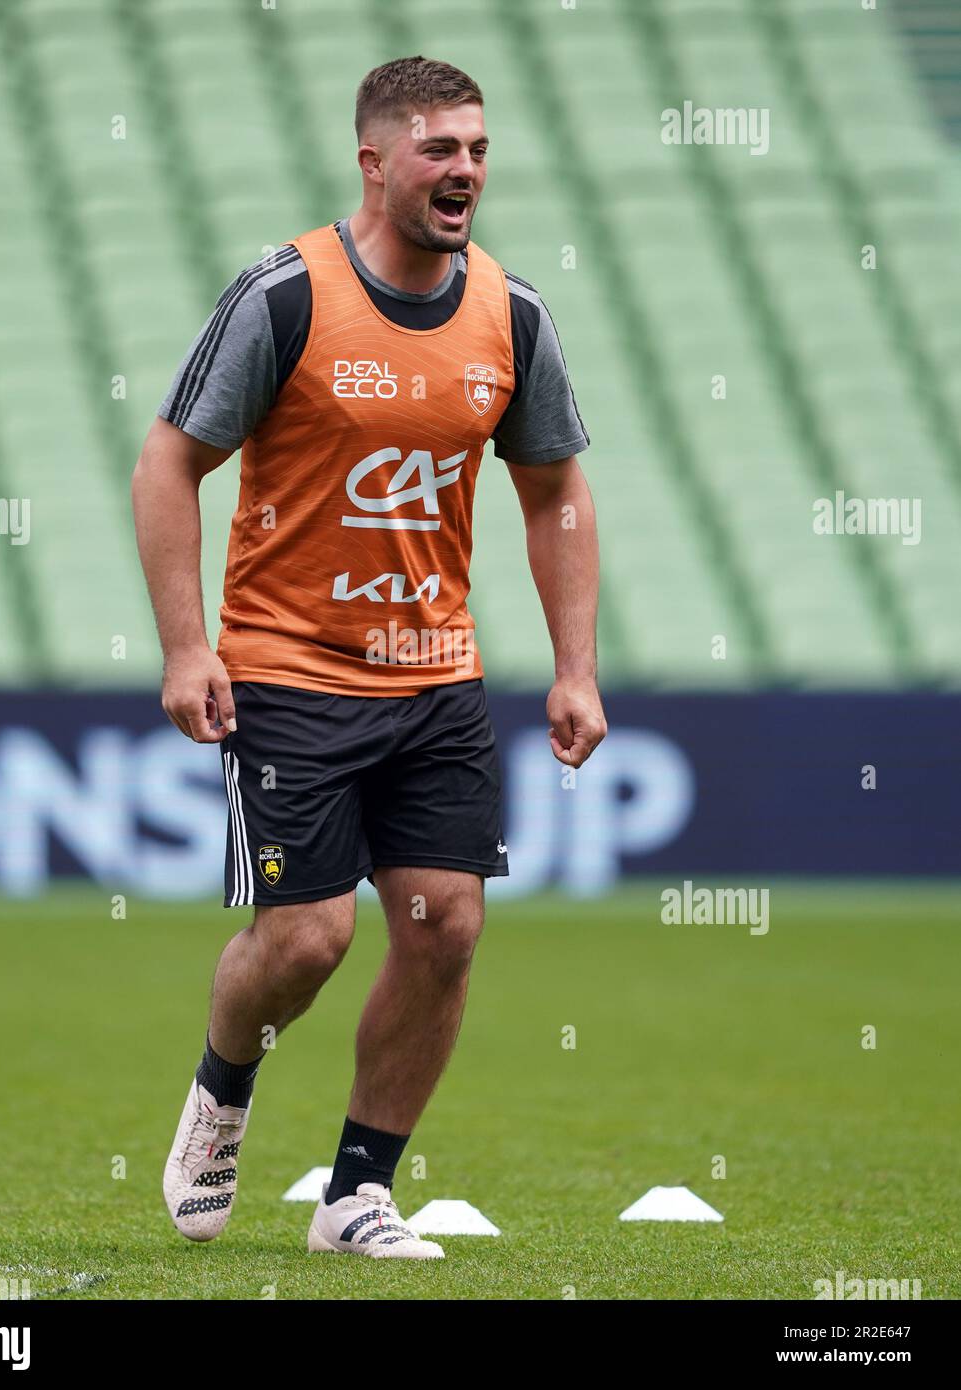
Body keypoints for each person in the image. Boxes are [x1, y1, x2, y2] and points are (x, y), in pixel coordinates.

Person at [132, 55, 607, 1261]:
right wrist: (188, 647)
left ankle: (354, 1197)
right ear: (376, 160)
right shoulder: (283, 295)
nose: (465, 172)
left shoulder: (511, 313)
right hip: (289, 666)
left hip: (434, 672)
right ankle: (223, 1091)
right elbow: (167, 463)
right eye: (440, 149)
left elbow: (553, 491)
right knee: (307, 938)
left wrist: (573, 666)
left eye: (479, 150)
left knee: (444, 927)